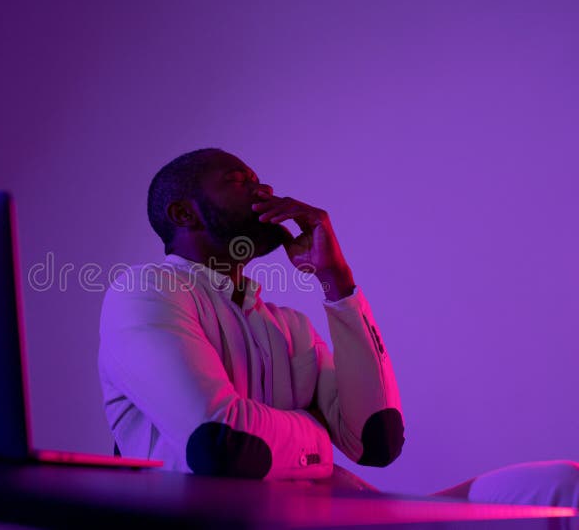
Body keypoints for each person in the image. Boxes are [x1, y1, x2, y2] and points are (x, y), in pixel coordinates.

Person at [97, 148, 579, 509]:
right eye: (239, 182)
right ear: (183, 213)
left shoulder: (288, 326)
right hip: (225, 522)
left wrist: (336, 282)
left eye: (260, 181)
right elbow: (222, 446)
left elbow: (377, 441)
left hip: (345, 514)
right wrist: (317, 438)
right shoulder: (145, 291)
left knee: (562, 484)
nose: (264, 191)